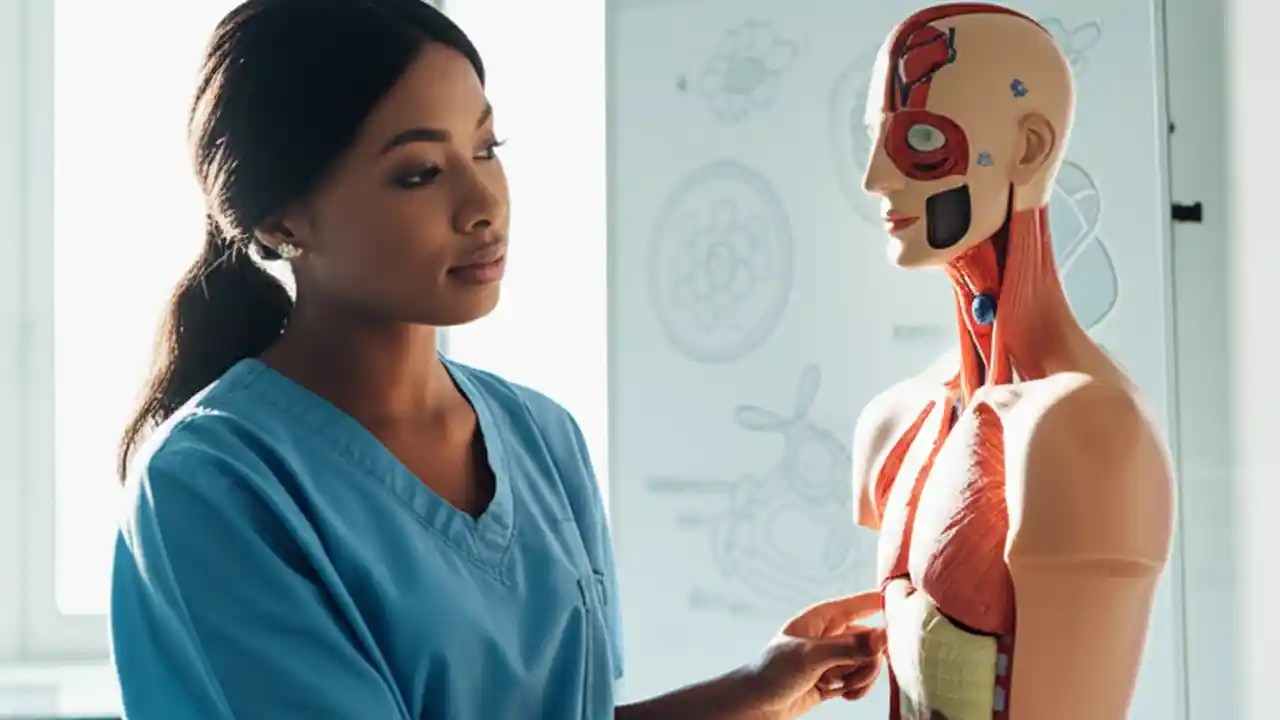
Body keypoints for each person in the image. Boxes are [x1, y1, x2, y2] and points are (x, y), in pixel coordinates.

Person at [108, 1, 886, 718]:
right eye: (419, 172)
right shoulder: (216, 485)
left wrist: (757, 690)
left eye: (487, 146)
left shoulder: (543, 439)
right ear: (281, 221)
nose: (483, 203)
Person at [849, 4, 1174, 719]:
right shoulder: (899, 421)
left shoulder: (1086, 431)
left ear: (1028, 150)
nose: (876, 179)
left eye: (920, 139)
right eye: (875, 141)